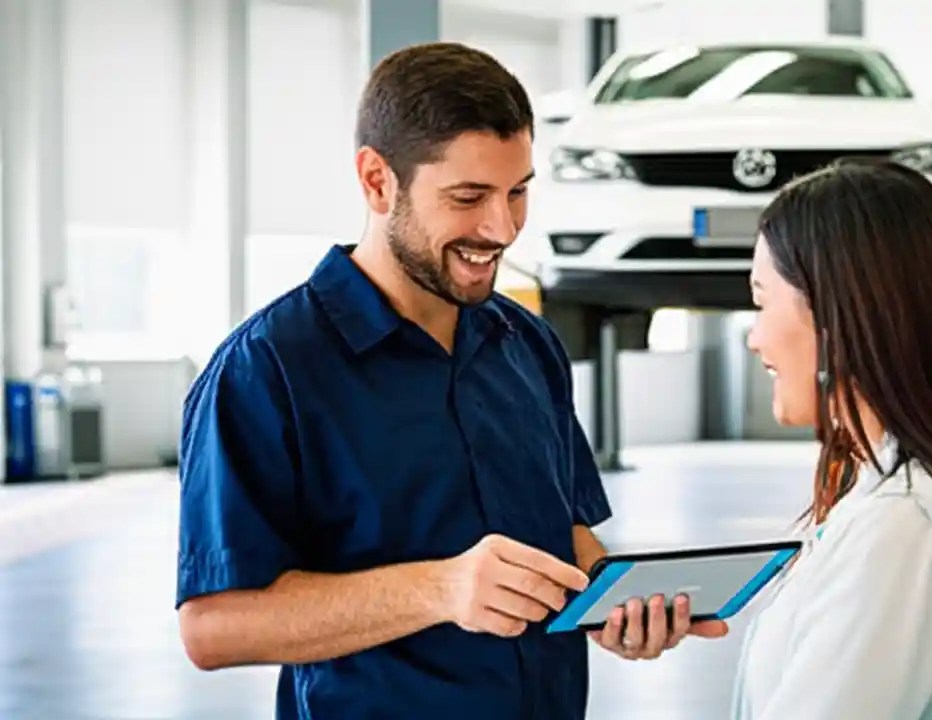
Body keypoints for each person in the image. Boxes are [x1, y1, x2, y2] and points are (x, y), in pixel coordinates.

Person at [174, 42, 725, 719]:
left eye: (517, 192)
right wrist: (438, 590)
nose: (501, 228)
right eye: (468, 197)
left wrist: (616, 606)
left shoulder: (529, 345)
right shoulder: (266, 368)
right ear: (377, 181)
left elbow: (573, 542)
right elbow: (213, 628)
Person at [733, 160, 932, 718]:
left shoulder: (902, 529)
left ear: (836, 314)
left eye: (762, 301)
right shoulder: (891, 493)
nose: (755, 338)